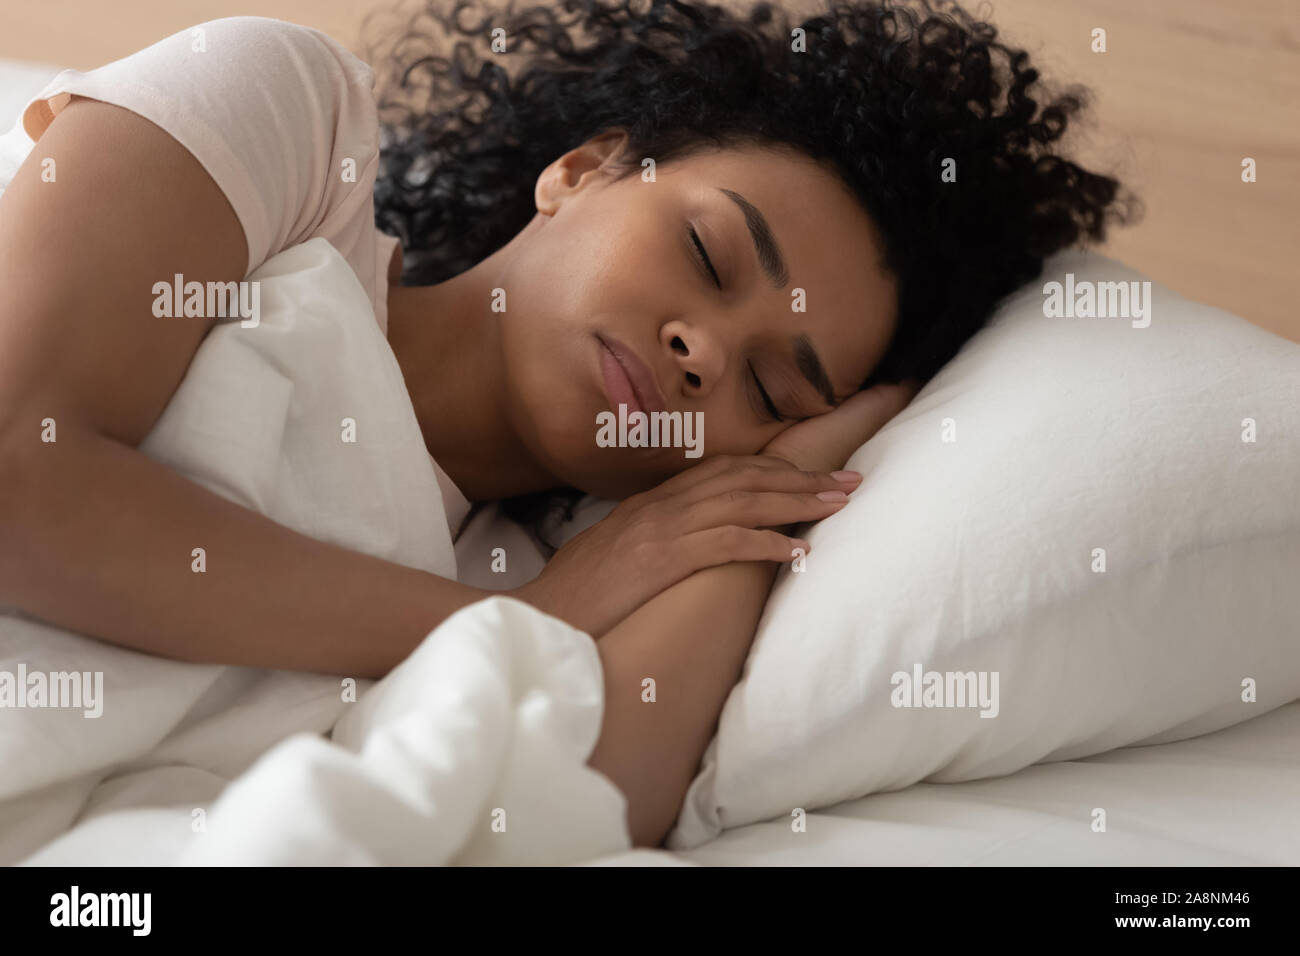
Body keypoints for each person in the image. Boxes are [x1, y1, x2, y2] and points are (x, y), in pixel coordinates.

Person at [0, 0, 1132, 845]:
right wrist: (515, 615)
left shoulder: (551, 562)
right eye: (708, 253)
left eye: (772, 389)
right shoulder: (287, 125)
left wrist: (780, 483)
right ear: (583, 170)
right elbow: (19, 473)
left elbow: (573, 810)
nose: (705, 353)